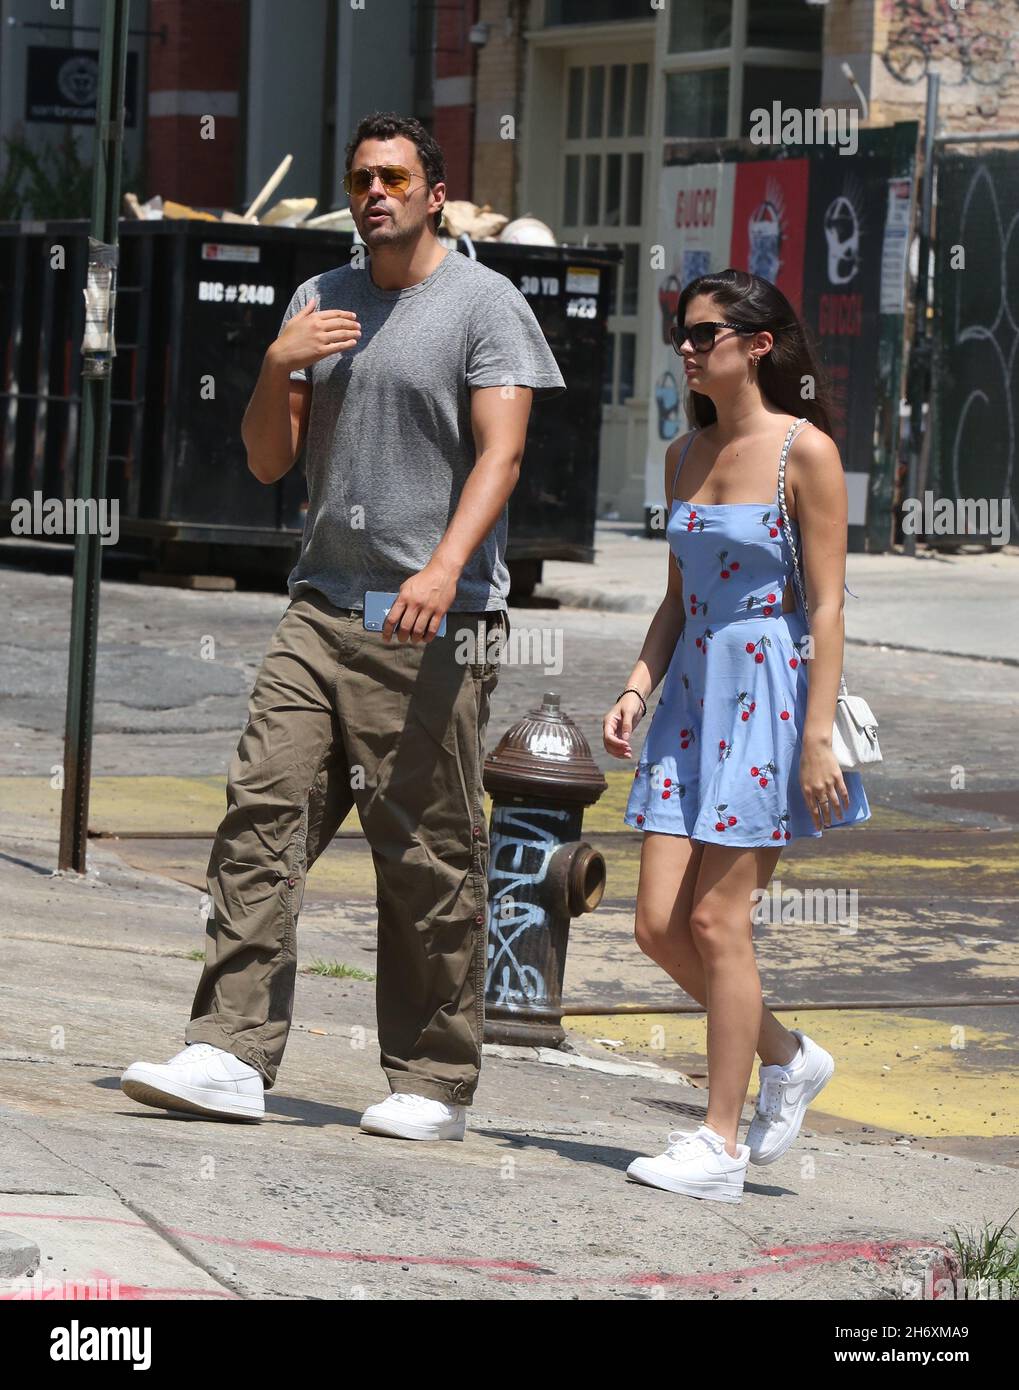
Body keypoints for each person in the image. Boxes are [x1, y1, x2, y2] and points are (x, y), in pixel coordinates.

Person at [121, 111, 565, 1139]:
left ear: (434, 193)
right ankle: (228, 1052)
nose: (375, 193)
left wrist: (446, 570)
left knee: (424, 856)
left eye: (395, 178)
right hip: (320, 607)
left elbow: (500, 456)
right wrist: (277, 362)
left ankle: (432, 1078)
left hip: (434, 622)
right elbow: (268, 463)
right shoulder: (319, 297)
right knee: (259, 814)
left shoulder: (483, 305)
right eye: (362, 177)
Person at [603, 269, 870, 1202]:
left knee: (719, 922)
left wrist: (815, 739)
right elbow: (677, 598)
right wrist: (637, 686)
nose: (686, 344)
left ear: (756, 344)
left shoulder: (807, 451)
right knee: (652, 926)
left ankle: (719, 1144)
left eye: (704, 332)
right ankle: (788, 1057)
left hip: (768, 689)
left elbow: (830, 606)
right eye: (681, 330)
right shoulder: (683, 453)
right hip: (689, 696)